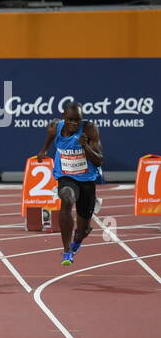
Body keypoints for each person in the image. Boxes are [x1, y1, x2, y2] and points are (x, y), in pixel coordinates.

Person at [37, 101, 103, 265]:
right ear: (63, 117)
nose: (74, 124)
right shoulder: (55, 126)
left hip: (87, 180)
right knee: (66, 199)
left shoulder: (89, 129)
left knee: (82, 230)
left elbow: (99, 160)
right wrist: (43, 151)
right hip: (66, 176)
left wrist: (85, 146)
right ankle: (67, 251)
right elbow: (50, 138)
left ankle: (78, 239)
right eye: (71, 120)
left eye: (78, 120)